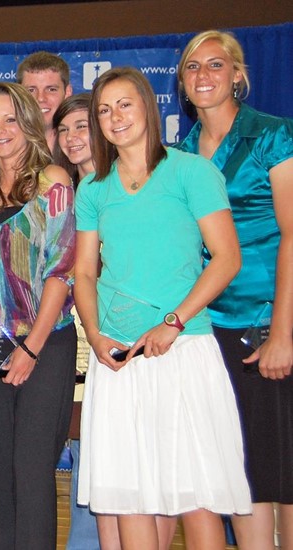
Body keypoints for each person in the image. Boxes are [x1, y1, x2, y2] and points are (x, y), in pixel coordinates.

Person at [75, 66, 251, 549]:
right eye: (105, 110)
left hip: (184, 350)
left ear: (149, 107)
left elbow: (227, 258)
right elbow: (85, 272)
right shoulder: (93, 188)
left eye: (125, 104)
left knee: (195, 497)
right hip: (119, 361)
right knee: (131, 497)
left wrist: (172, 323)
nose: (115, 117)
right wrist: (94, 334)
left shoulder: (192, 171)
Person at [175, 30, 293, 550]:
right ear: (181, 83)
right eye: (193, 67)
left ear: (238, 76)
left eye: (215, 65)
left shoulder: (274, 136)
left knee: (281, 472)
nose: (204, 75)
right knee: (235, 470)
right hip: (206, 330)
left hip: (266, 320)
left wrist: (283, 333)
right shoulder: (177, 153)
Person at [0, 81, 77, 550]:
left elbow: (60, 271)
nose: (0, 129)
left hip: (45, 344)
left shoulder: (55, 183)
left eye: (9, 119)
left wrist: (31, 346)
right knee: (0, 466)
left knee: (31, 467)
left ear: (27, 123)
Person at [52, 92, 110, 550]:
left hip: (123, 345)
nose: (72, 138)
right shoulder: (65, 194)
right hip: (78, 353)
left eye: (82, 126)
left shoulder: (129, 188)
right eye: (64, 129)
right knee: (86, 466)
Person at [17, 51, 73, 150]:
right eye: (31, 90)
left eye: (51, 89)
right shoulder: (8, 151)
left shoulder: (86, 151)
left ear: (67, 92)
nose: (41, 98)